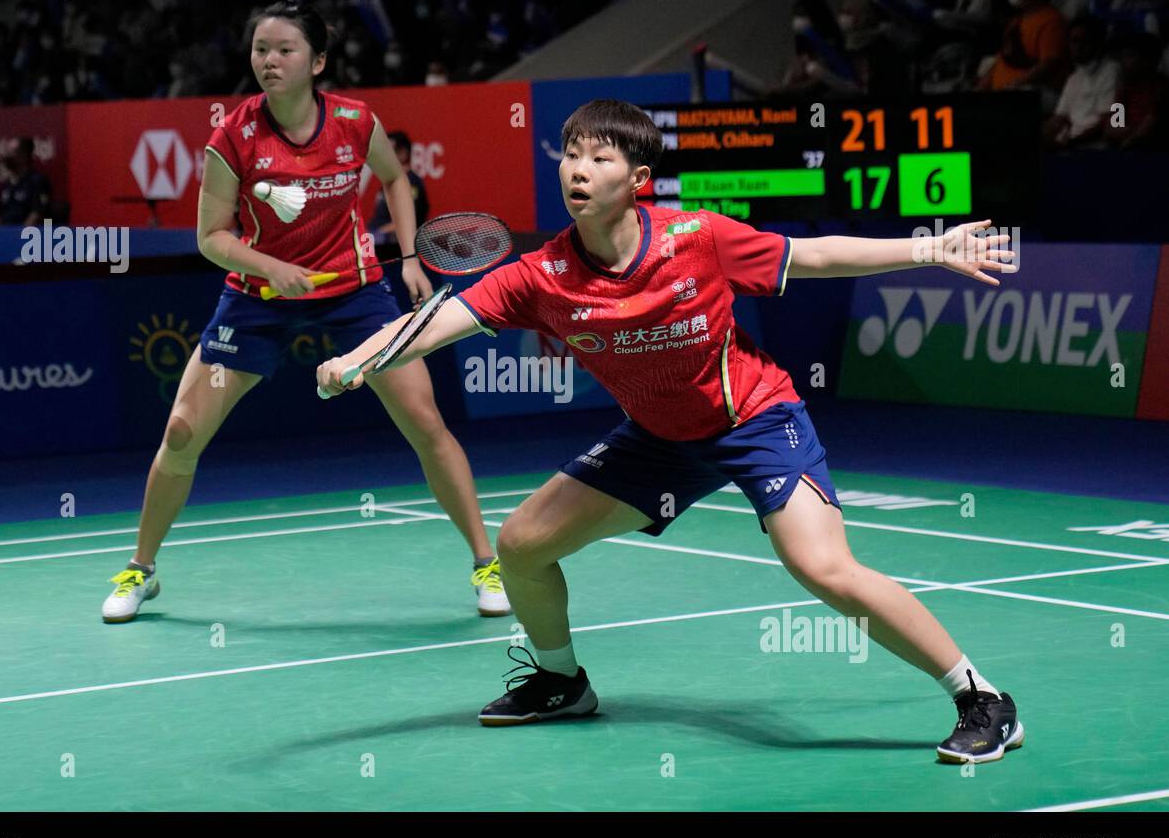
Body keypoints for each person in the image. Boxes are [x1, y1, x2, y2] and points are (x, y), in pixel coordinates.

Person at [319, 99, 1024, 765]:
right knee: (522, 544)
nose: (579, 170)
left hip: (754, 419)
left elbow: (813, 256)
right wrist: (355, 359)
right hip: (658, 439)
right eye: (570, 155)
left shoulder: (698, 238)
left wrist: (929, 249)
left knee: (822, 567)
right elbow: (437, 323)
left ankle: (981, 696)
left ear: (640, 180)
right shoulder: (542, 276)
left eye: (599, 158)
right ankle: (563, 683)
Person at [101, 1, 508, 624]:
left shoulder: (353, 121)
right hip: (259, 296)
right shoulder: (233, 135)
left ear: (316, 61)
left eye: (285, 49)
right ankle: (141, 569)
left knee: (425, 421)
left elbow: (395, 180)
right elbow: (212, 236)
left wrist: (408, 256)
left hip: (354, 289)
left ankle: (486, 562)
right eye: (261, 48)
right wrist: (272, 269)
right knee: (182, 431)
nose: (269, 60)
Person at [1043, 17, 1120, 148]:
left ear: (1097, 42)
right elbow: (1059, 118)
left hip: (1097, 146)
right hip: (1073, 144)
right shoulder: (1074, 78)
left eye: (1085, 41)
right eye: (1074, 41)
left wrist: (1072, 143)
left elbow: (1110, 120)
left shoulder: (1112, 70)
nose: (1078, 46)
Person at [368, 130, 428, 240]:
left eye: (388, 151)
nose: (383, 156)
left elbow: (408, 223)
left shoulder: (411, 182)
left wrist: (376, 235)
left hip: (391, 246)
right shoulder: (388, 180)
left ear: (403, 154)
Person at [0, 137, 50, 226]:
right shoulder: (6, 185)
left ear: (24, 154)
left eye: (12, 152)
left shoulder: (37, 181)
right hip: (3, 235)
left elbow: (37, 214)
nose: (8, 157)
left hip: (25, 236)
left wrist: (19, 236)